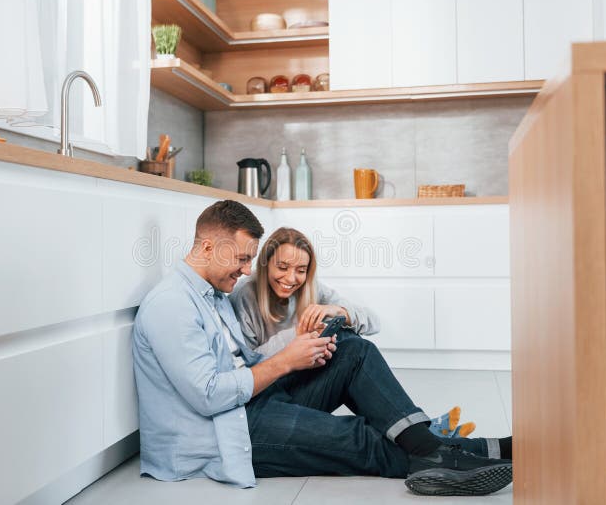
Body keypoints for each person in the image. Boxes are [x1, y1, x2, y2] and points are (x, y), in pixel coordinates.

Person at [132, 200, 512, 496]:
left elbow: (241, 366)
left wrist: (304, 352)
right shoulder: (171, 304)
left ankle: (438, 451)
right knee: (360, 438)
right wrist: (286, 361)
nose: (247, 269)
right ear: (210, 247)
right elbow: (209, 396)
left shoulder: (213, 296)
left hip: (250, 407)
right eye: (243, 258)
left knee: (353, 350)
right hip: (228, 433)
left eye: (250, 259)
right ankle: (467, 452)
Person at [229, 226, 504, 459]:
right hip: (271, 403)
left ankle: (427, 439)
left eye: (301, 270)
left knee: (354, 343)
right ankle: (433, 438)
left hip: (305, 385)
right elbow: (247, 369)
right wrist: (298, 341)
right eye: (283, 267)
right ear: (265, 263)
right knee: (353, 353)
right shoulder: (245, 297)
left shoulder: (312, 291)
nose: (291, 278)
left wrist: (341, 313)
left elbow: (373, 322)